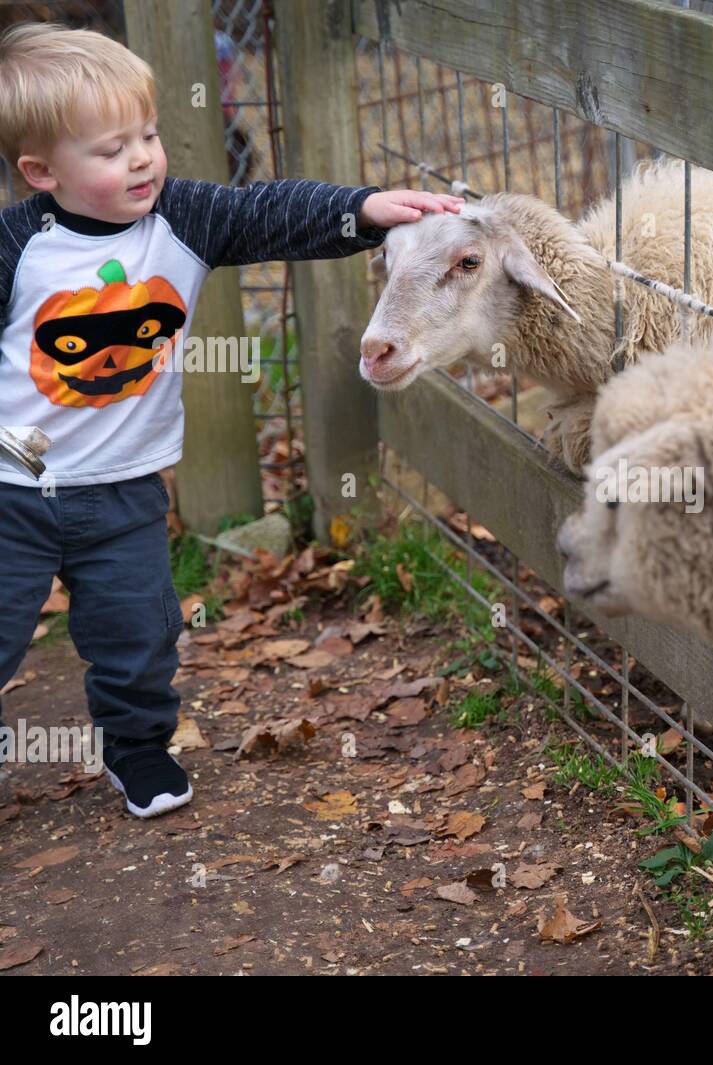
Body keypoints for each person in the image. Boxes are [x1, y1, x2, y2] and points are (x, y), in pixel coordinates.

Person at [0, 22, 464, 816]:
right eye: (110, 151)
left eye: (148, 134)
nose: (143, 157)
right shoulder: (16, 245)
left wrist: (363, 211)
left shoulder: (181, 218)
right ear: (42, 172)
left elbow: (267, 213)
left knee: (140, 636)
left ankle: (137, 751)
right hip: (12, 490)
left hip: (125, 492)